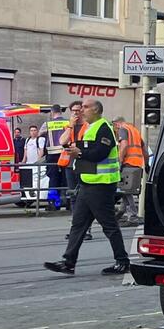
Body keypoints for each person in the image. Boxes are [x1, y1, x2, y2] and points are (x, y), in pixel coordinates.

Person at [43, 99, 130, 276]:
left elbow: (100, 153)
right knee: (78, 224)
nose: (82, 110)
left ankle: (122, 261)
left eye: (85, 107)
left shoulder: (103, 126)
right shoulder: (89, 127)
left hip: (101, 185)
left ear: (96, 110)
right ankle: (68, 262)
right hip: (88, 183)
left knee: (109, 225)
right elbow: (69, 144)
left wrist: (80, 152)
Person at [60, 100, 91, 239]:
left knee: (84, 197)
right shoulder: (68, 126)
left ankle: (86, 230)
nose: (76, 113)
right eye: (73, 111)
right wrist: (70, 126)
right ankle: (76, 229)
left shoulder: (88, 126)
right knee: (73, 196)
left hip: (83, 164)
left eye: (78, 110)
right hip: (69, 164)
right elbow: (62, 142)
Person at [113, 116, 145, 226]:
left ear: (116, 124)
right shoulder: (135, 130)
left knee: (126, 190)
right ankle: (121, 213)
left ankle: (132, 216)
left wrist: (120, 162)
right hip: (137, 163)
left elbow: (124, 145)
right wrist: (147, 163)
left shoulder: (123, 129)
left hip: (128, 162)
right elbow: (143, 147)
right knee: (127, 190)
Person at [42, 106, 70, 210]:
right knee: (66, 177)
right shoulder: (67, 123)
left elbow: (40, 134)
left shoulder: (48, 124)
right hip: (66, 153)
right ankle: (68, 202)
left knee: (53, 178)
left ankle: (54, 204)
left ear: (52, 112)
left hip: (52, 154)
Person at [22, 125, 46, 204]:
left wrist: (38, 162)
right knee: (29, 183)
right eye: (31, 130)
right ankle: (29, 197)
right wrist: (23, 161)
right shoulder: (27, 140)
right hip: (29, 164)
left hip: (36, 165)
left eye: (35, 130)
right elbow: (26, 152)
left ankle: (36, 197)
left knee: (36, 181)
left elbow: (41, 151)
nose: (33, 132)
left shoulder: (40, 139)